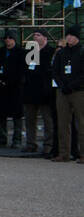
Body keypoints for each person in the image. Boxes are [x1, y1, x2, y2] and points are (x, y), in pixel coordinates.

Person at [51, 25, 83, 163]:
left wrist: (72, 85)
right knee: (63, 123)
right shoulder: (61, 53)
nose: (69, 38)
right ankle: (64, 153)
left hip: (79, 91)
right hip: (62, 91)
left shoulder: (82, 52)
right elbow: (55, 71)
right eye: (67, 35)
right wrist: (62, 85)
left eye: (72, 35)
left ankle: (82, 153)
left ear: (77, 37)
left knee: (81, 122)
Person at [21, 28, 55, 153]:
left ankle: (48, 144)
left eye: (38, 35)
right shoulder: (30, 52)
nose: (35, 37)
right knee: (30, 119)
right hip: (30, 90)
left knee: (47, 119)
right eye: (34, 35)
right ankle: (31, 143)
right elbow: (26, 69)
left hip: (45, 91)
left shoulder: (50, 52)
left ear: (45, 38)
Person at [0, 29, 26, 147]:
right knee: (0, 115)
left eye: (10, 38)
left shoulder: (22, 53)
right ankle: (1, 139)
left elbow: (22, 71)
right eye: (6, 38)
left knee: (17, 115)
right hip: (0, 88)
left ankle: (17, 139)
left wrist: (9, 81)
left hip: (15, 87)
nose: (8, 41)